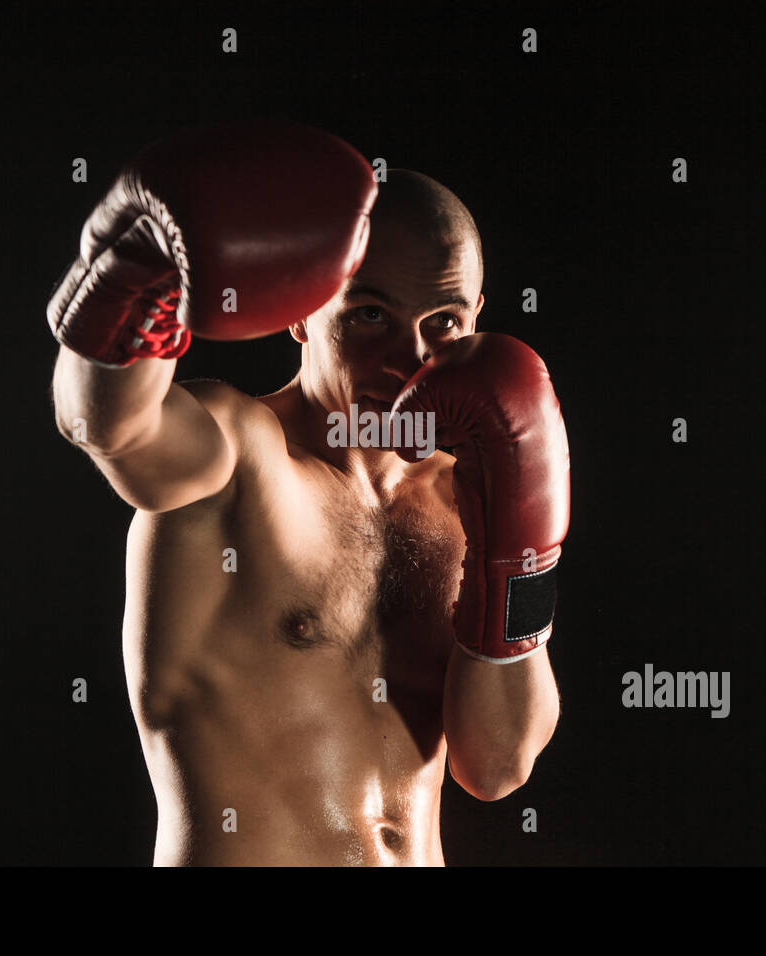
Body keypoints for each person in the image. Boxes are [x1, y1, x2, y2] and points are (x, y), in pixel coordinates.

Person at [46, 121, 570, 865]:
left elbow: (497, 767)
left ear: (479, 313)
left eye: (444, 324)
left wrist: (519, 554)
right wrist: (130, 278)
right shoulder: (240, 455)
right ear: (302, 309)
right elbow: (111, 427)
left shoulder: (468, 503)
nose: (411, 359)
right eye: (369, 315)